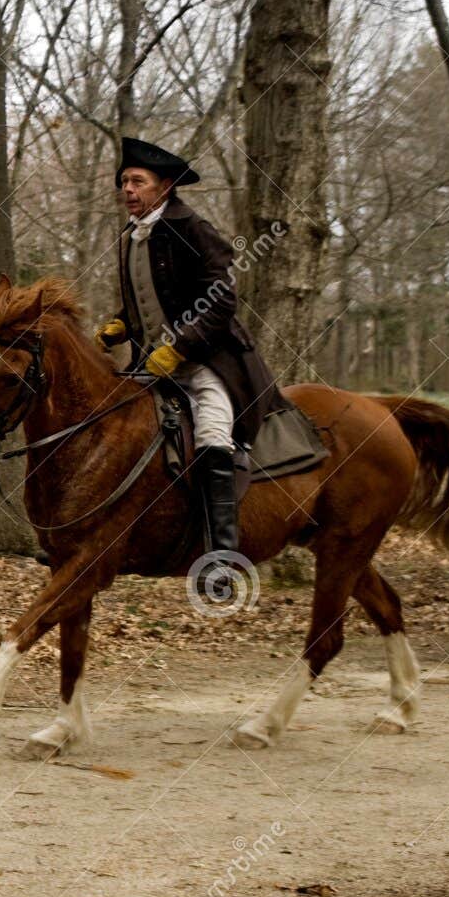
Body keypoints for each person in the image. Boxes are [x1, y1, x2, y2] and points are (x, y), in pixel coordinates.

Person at [94, 137, 286, 578]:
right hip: (151, 364)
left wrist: (179, 347)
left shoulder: (195, 228)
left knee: (213, 437)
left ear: (165, 186)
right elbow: (151, 297)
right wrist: (122, 324)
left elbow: (221, 301)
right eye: (124, 181)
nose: (127, 189)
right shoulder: (130, 235)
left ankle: (222, 558)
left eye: (137, 181)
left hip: (209, 362)